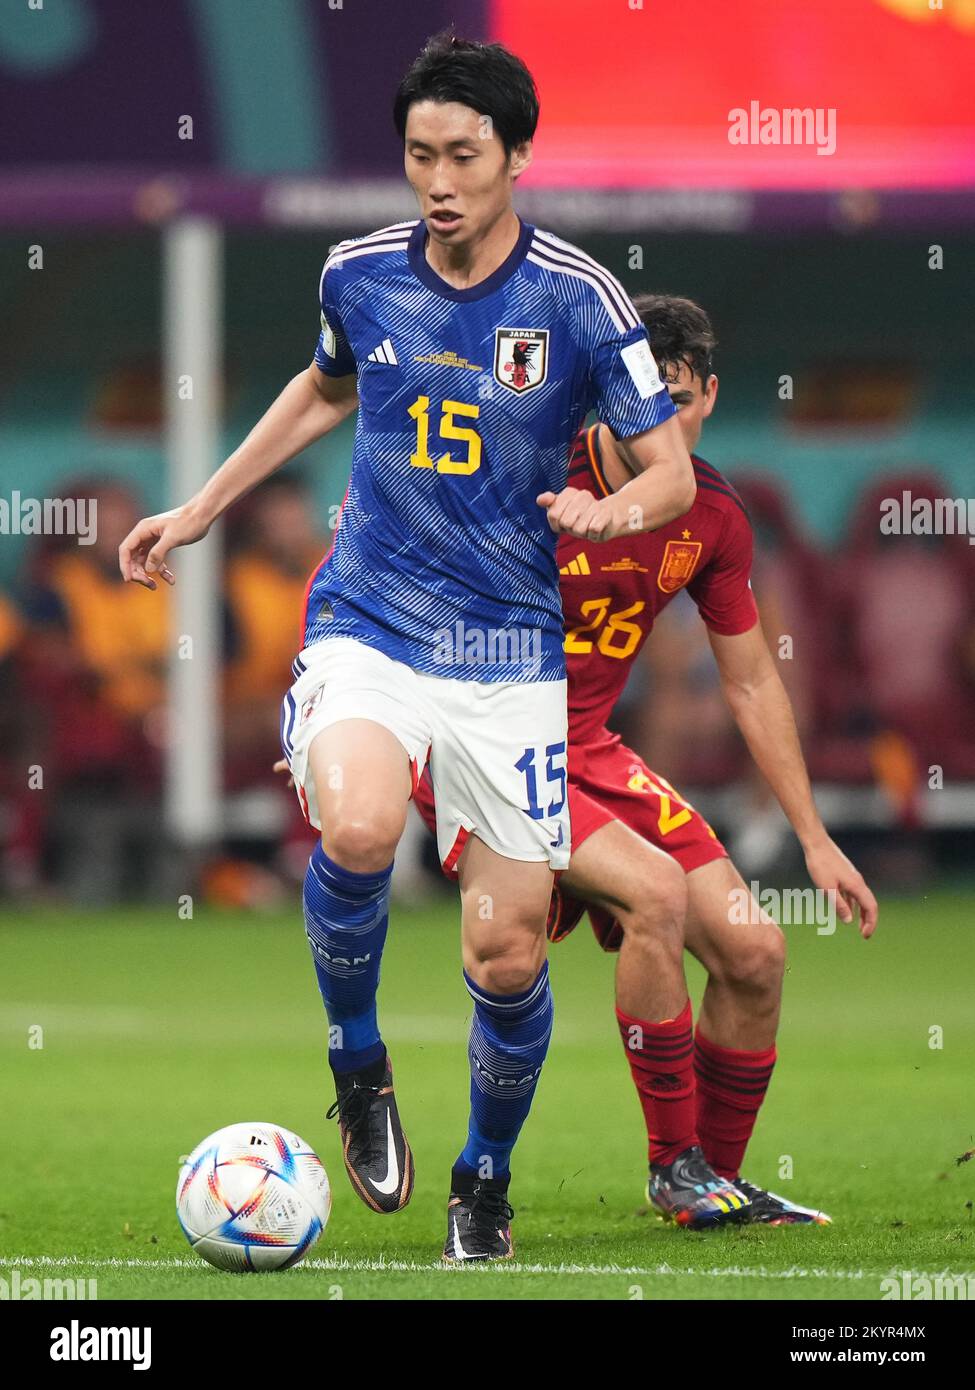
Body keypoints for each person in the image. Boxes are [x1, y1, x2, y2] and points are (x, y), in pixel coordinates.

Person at [119, 33, 696, 1261]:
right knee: (361, 826)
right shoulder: (359, 274)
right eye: (418, 155)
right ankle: (358, 1058)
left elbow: (674, 474)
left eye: (463, 155)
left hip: (511, 653)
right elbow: (326, 388)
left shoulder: (579, 302)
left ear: (518, 157)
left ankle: (483, 1176)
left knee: (501, 949)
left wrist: (610, 511)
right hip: (370, 621)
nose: (437, 179)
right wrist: (203, 506)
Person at [415, 294, 878, 1227]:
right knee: (649, 897)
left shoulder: (711, 516)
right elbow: (396, 582)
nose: (663, 420)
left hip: (587, 747)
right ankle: (670, 1168)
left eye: (682, 401)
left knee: (755, 952)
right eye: (643, 400)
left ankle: (709, 1184)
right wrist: (341, 714)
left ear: (708, 397)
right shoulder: (525, 476)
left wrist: (813, 836)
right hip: (485, 745)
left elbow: (749, 682)